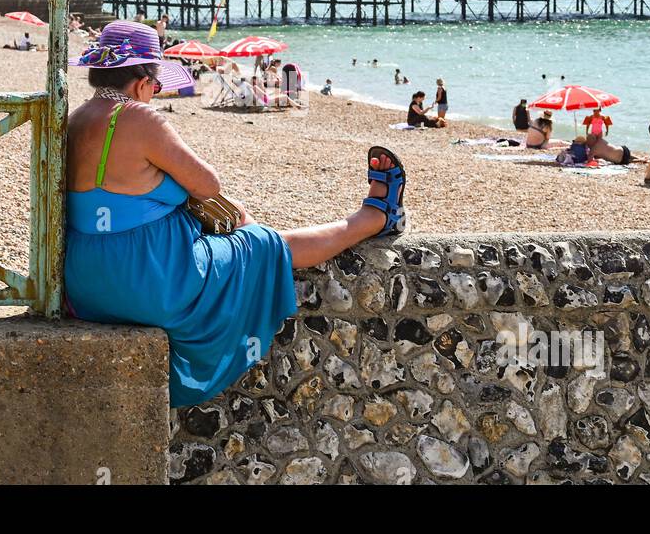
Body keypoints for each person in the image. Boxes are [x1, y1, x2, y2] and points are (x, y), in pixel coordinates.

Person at [63, 20, 408, 407]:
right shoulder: (139, 118)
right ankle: (373, 218)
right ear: (143, 82)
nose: (155, 95)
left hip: (85, 285)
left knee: (238, 237)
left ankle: (370, 218)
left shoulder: (74, 120)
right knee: (263, 243)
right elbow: (208, 185)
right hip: (149, 282)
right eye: (156, 87)